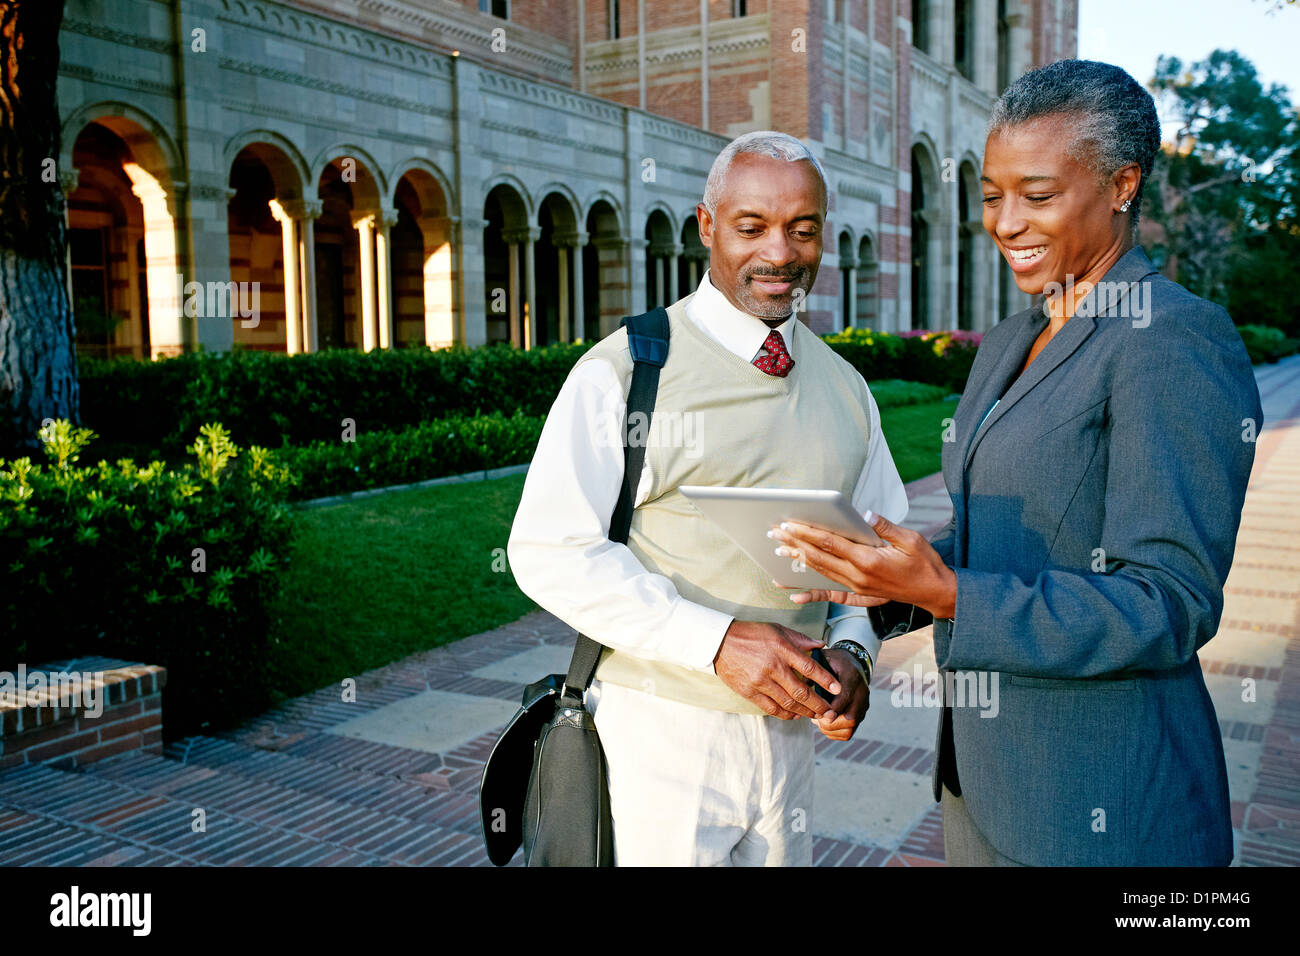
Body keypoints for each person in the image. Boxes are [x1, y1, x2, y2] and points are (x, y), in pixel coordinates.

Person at [772, 59, 1263, 866]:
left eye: (1037, 196)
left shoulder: (1171, 339)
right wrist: (886, 587)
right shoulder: (1009, 339)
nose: (1005, 223)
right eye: (993, 196)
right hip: (984, 787)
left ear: (1121, 185)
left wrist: (950, 592)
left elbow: (1170, 603)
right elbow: (995, 533)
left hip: (1106, 805)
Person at [506, 130, 909, 866]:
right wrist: (717, 642)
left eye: (803, 228)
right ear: (708, 226)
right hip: (658, 742)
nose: (780, 253)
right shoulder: (628, 370)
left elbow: (872, 559)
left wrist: (853, 650)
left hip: (790, 749)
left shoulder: (848, 390)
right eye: (752, 226)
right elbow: (548, 551)